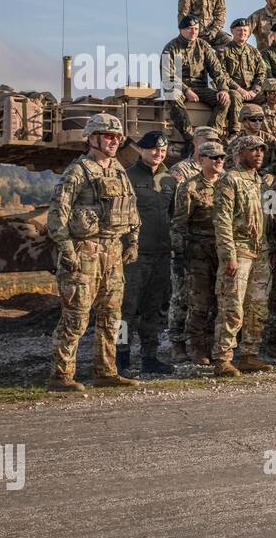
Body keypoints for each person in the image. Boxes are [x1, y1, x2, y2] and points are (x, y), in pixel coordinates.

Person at [46, 113, 141, 392]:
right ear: (92, 138)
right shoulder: (78, 171)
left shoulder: (118, 170)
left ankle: (106, 371)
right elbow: (57, 215)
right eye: (108, 136)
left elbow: (131, 208)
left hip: (112, 251)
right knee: (76, 316)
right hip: (83, 251)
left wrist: (133, 241)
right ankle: (61, 377)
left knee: (111, 315)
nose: (113, 141)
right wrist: (67, 250)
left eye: (116, 137)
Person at [210, 135, 273, 375]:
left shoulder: (262, 184)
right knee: (232, 307)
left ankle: (249, 354)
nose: (258, 154)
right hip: (240, 251)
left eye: (261, 150)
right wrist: (229, 255)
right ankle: (223, 358)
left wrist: (272, 248)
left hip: (261, 253)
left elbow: (270, 218)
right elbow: (222, 221)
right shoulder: (230, 180)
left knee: (257, 307)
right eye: (253, 150)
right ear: (239, 153)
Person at [119, 130, 175, 375]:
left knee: (153, 310)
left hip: (161, 255)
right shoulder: (127, 178)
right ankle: (120, 358)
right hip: (134, 256)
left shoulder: (169, 181)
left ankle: (149, 357)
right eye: (153, 149)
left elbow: (174, 215)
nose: (158, 154)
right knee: (125, 311)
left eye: (162, 151)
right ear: (141, 149)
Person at [172, 140, 227, 365]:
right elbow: (179, 224)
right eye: (214, 157)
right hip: (198, 253)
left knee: (219, 301)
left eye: (222, 157)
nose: (219, 161)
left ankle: (214, 345)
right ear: (202, 159)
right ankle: (195, 346)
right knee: (199, 301)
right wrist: (179, 255)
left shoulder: (226, 184)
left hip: (222, 250)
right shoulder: (189, 187)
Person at [161, 15, 233, 140]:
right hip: (179, 87)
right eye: (189, 28)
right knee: (173, 96)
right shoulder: (171, 48)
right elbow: (167, 75)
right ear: (181, 29)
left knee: (224, 100)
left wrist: (223, 89)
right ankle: (189, 137)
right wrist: (186, 90)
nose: (193, 32)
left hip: (200, 87)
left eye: (196, 28)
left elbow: (217, 70)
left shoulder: (203, 46)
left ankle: (211, 134)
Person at [219, 18, 269, 126]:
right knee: (234, 96)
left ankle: (266, 129)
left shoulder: (254, 51)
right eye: (239, 30)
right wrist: (241, 90)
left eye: (245, 31)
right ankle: (235, 131)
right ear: (232, 31)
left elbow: (261, 72)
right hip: (234, 89)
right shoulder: (224, 51)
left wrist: (254, 91)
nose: (242, 33)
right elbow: (222, 74)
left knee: (269, 97)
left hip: (252, 91)